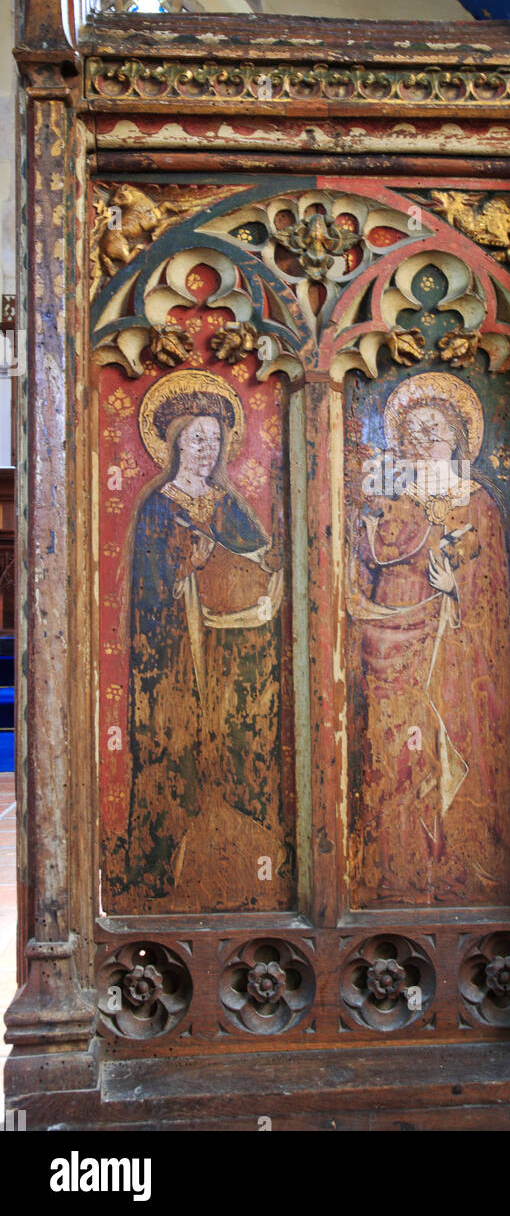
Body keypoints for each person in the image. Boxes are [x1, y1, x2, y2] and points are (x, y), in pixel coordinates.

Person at [347, 372, 510, 906]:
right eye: (414, 432)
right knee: (396, 754)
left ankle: (460, 868)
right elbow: (365, 575)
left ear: (457, 436)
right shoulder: (391, 505)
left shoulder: (480, 503)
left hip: (458, 649)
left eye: (435, 430)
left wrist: (459, 591)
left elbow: (498, 588)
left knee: (459, 738)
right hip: (394, 644)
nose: (424, 440)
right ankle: (399, 870)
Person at [121, 372, 289, 908]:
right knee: (176, 755)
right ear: (174, 444)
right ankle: (163, 870)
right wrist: (181, 572)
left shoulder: (226, 503)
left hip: (227, 661)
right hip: (174, 663)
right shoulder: (158, 507)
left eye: (214, 440)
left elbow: (260, 561)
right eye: (197, 438)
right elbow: (146, 594)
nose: (206, 449)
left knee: (233, 749)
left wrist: (272, 558)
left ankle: (240, 865)